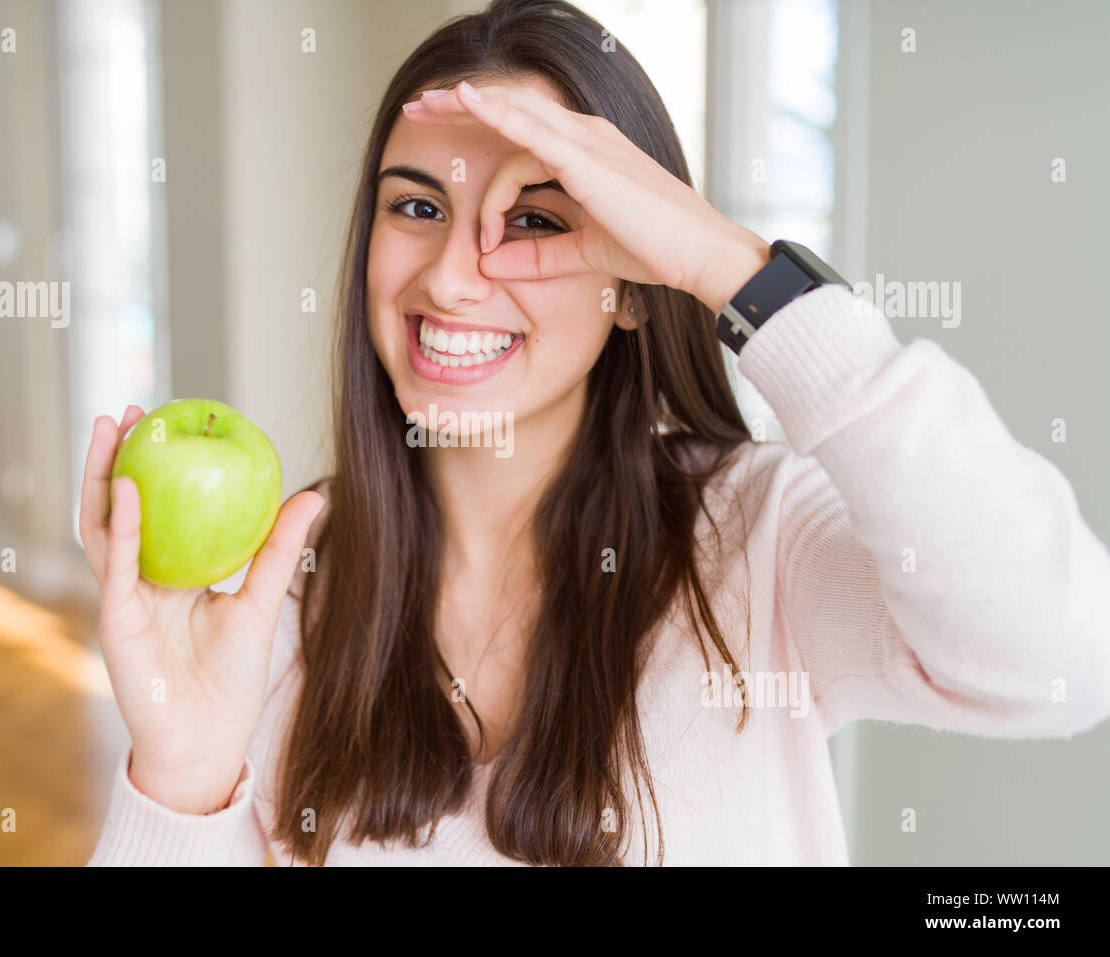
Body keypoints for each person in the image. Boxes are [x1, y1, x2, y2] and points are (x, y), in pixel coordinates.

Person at [82, 0, 1110, 866]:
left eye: (533, 219)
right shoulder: (278, 600)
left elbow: (1057, 659)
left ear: (633, 283)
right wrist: (179, 774)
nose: (448, 277)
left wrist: (735, 269)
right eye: (416, 208)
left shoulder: (755, 542)